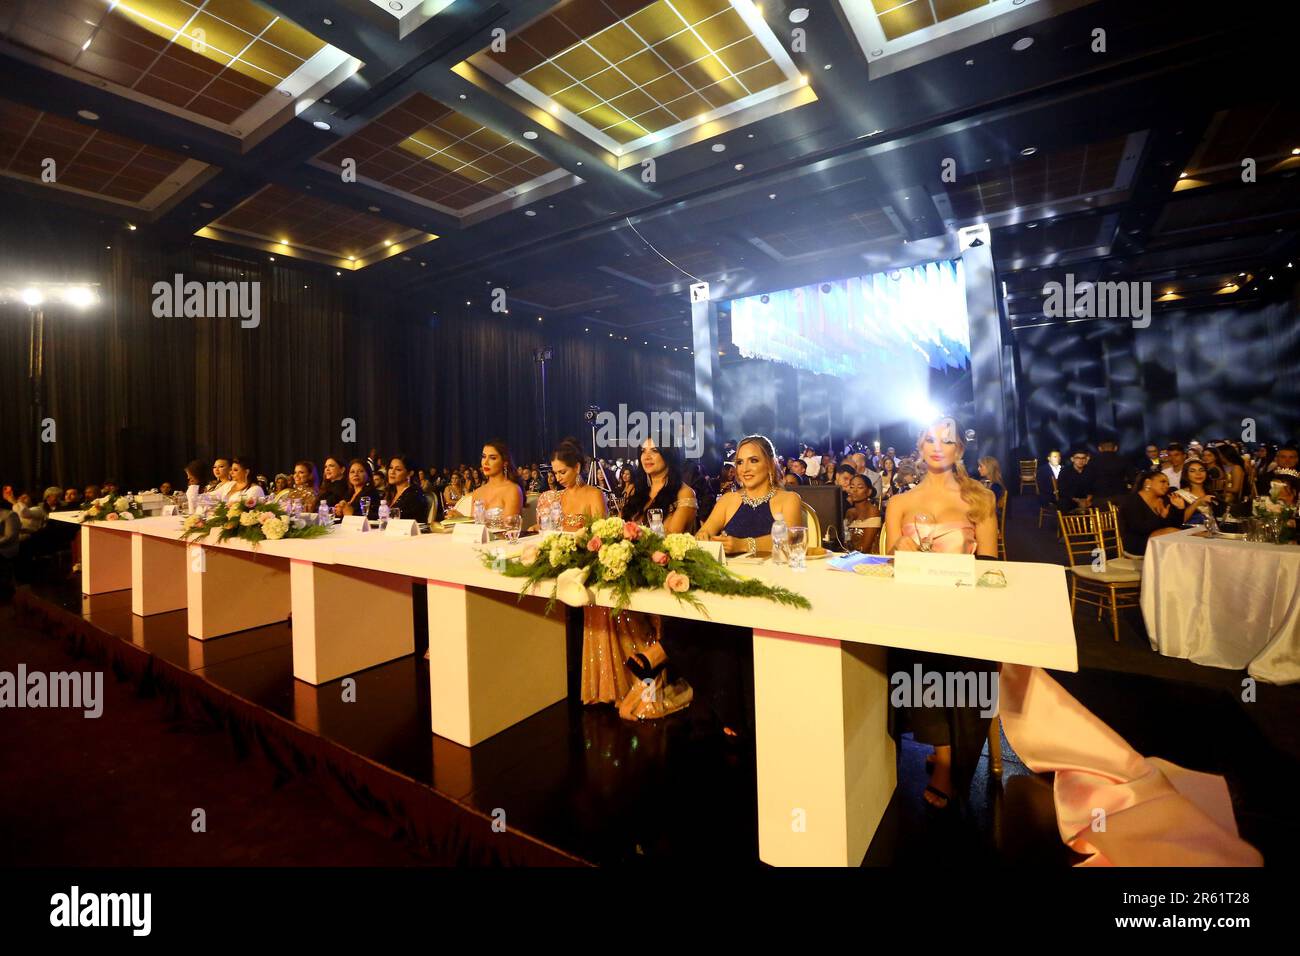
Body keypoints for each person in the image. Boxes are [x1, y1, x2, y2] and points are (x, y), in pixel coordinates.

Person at [884, 418, 998, 811]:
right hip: (914, 608)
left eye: (946, 441)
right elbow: (889, 566)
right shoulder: (899, 502)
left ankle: (954, 752)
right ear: (919, 446)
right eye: (930, 439)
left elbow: (991, 566)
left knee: (968, 659)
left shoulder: (981, 498)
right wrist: (900, 546)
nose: (937, 446)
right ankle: (945, 756)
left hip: (964, 607)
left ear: (958, 451)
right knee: (911, 650)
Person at [697, 435, 803, 555]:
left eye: (753, 460)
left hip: (774, 572)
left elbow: (790, 539)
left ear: (770, 464)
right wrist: (703, 537)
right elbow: (703, 533)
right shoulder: (727, 500)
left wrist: (743, 544)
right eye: (740, 462)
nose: (745, 469)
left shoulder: (789, 499)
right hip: (730, 572)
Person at [1117, 472, 1183, 557]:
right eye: (1163, 482)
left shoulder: (1165, 500)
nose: (1167, 486)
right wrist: (1161, 518)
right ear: (1148, 482)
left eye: (1168, 483)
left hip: (1162, 541)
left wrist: (1180, 509)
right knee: (1172, 534)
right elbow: (1140, 528)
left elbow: (1176, 526)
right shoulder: (1132, 501)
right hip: (1139, 544)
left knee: (1175, 535)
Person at [461, 439, 524, 518]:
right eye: (484, 457)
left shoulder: (513, 490)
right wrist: (461, 518)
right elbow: (476, 527)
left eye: (492, 458)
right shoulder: (477, 493)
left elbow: (511, 527)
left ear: (505, 462)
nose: (485, 462)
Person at [384, 453, 429, 524]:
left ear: (410, 473)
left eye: (398, 469)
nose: (392, 472)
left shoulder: (414, 495)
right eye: (391, 468)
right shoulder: (391, 492)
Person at [1172, 460, 1219, 524]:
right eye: (1192, 471)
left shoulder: (1212, 493)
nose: (1198, 473)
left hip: (1213, 530)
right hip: (1190, 531)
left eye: (1202, 470)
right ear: (1186, 474)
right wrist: (1197, 502)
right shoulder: (1179, 495)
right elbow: (1180, 521)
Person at [844, 474, 881, 552]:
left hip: (869, 559)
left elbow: (865, 548)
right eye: (852, 487)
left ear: (869, 492)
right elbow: (845, 540)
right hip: (850, 556)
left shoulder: (873, 511)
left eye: (860, 487)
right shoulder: (849, 512)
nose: (854, 490)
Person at [1087, 439, 1130, 507]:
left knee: (1102, 517)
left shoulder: (1093, 461)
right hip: (1121, 496)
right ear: (1115, 448)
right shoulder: (1123, 460)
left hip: (1100, 498)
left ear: (1100, 448)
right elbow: (1132, 477)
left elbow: (1088, 479)